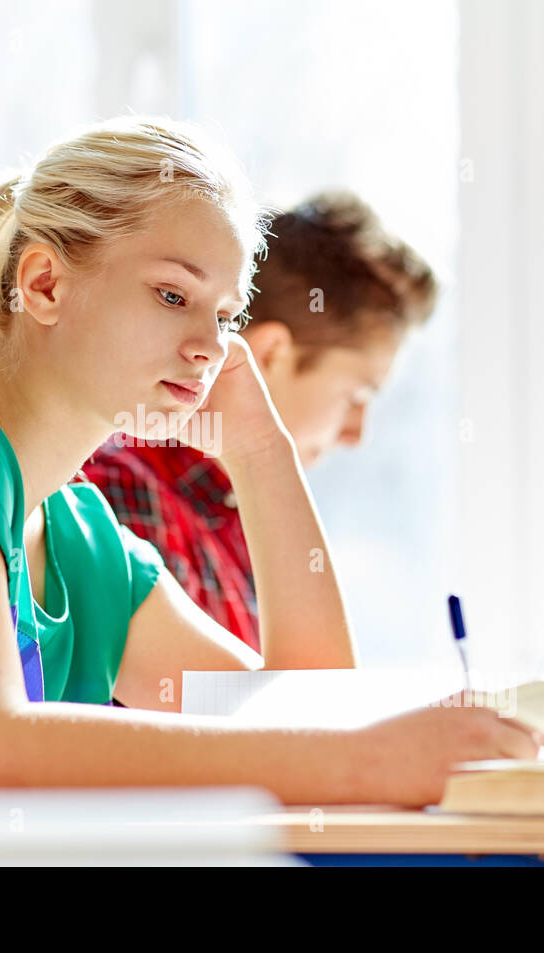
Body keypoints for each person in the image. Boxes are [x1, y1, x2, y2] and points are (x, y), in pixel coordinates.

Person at [0, 117, 544, 806]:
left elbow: (305, 712)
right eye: (172, 294)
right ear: (45, 284)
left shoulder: (81, 539)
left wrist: (263, 454)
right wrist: (362, 759)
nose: (209, 345)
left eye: (227, 315)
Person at [81, 191, 436, 653]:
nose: (356, 435)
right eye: (355, 396)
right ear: (270, 354)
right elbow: (296, 713)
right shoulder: (122, 501)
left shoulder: (247, 520)